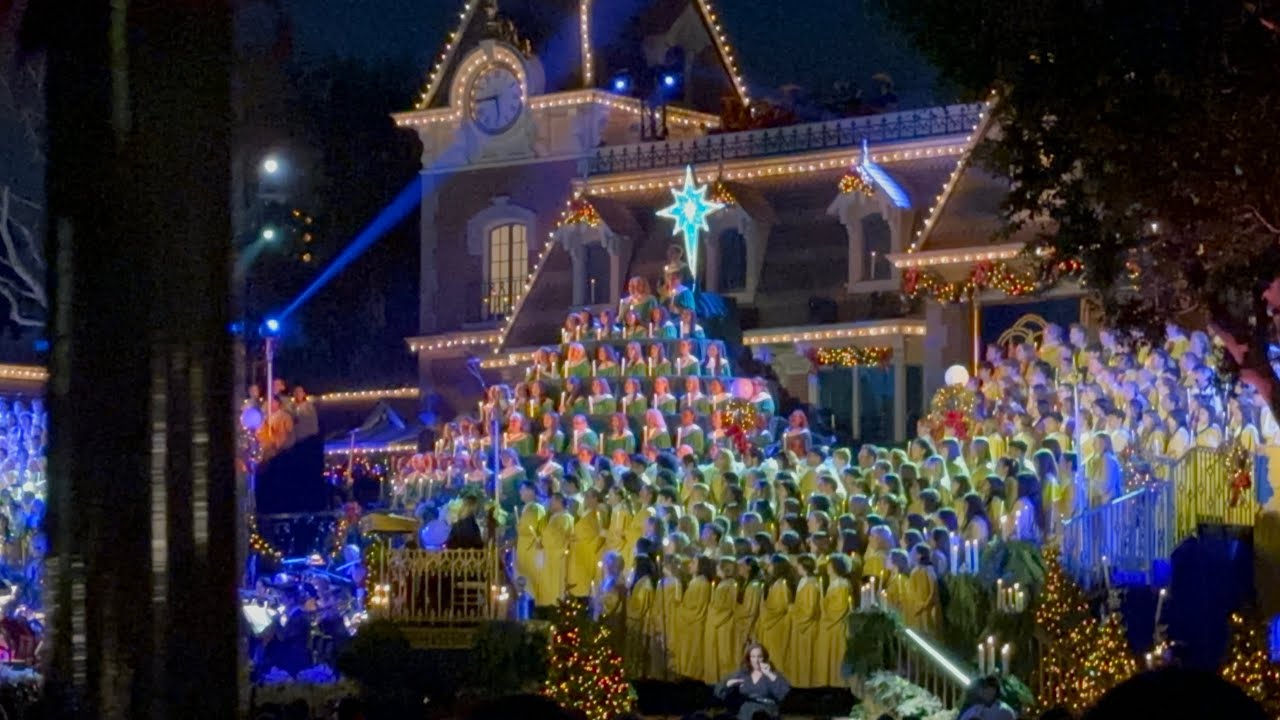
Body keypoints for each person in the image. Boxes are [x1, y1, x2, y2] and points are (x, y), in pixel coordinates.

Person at [714, 643, 792, 720]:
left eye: (759, 657)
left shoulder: (772, 674)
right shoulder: (743, 674)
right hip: (746, 712)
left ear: (764, 658)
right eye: (753, 657)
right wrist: (728, 684)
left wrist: (769, 674)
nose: (756, 660)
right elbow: (719, 692)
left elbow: (784, 694)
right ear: (749, 659)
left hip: (766, 713)